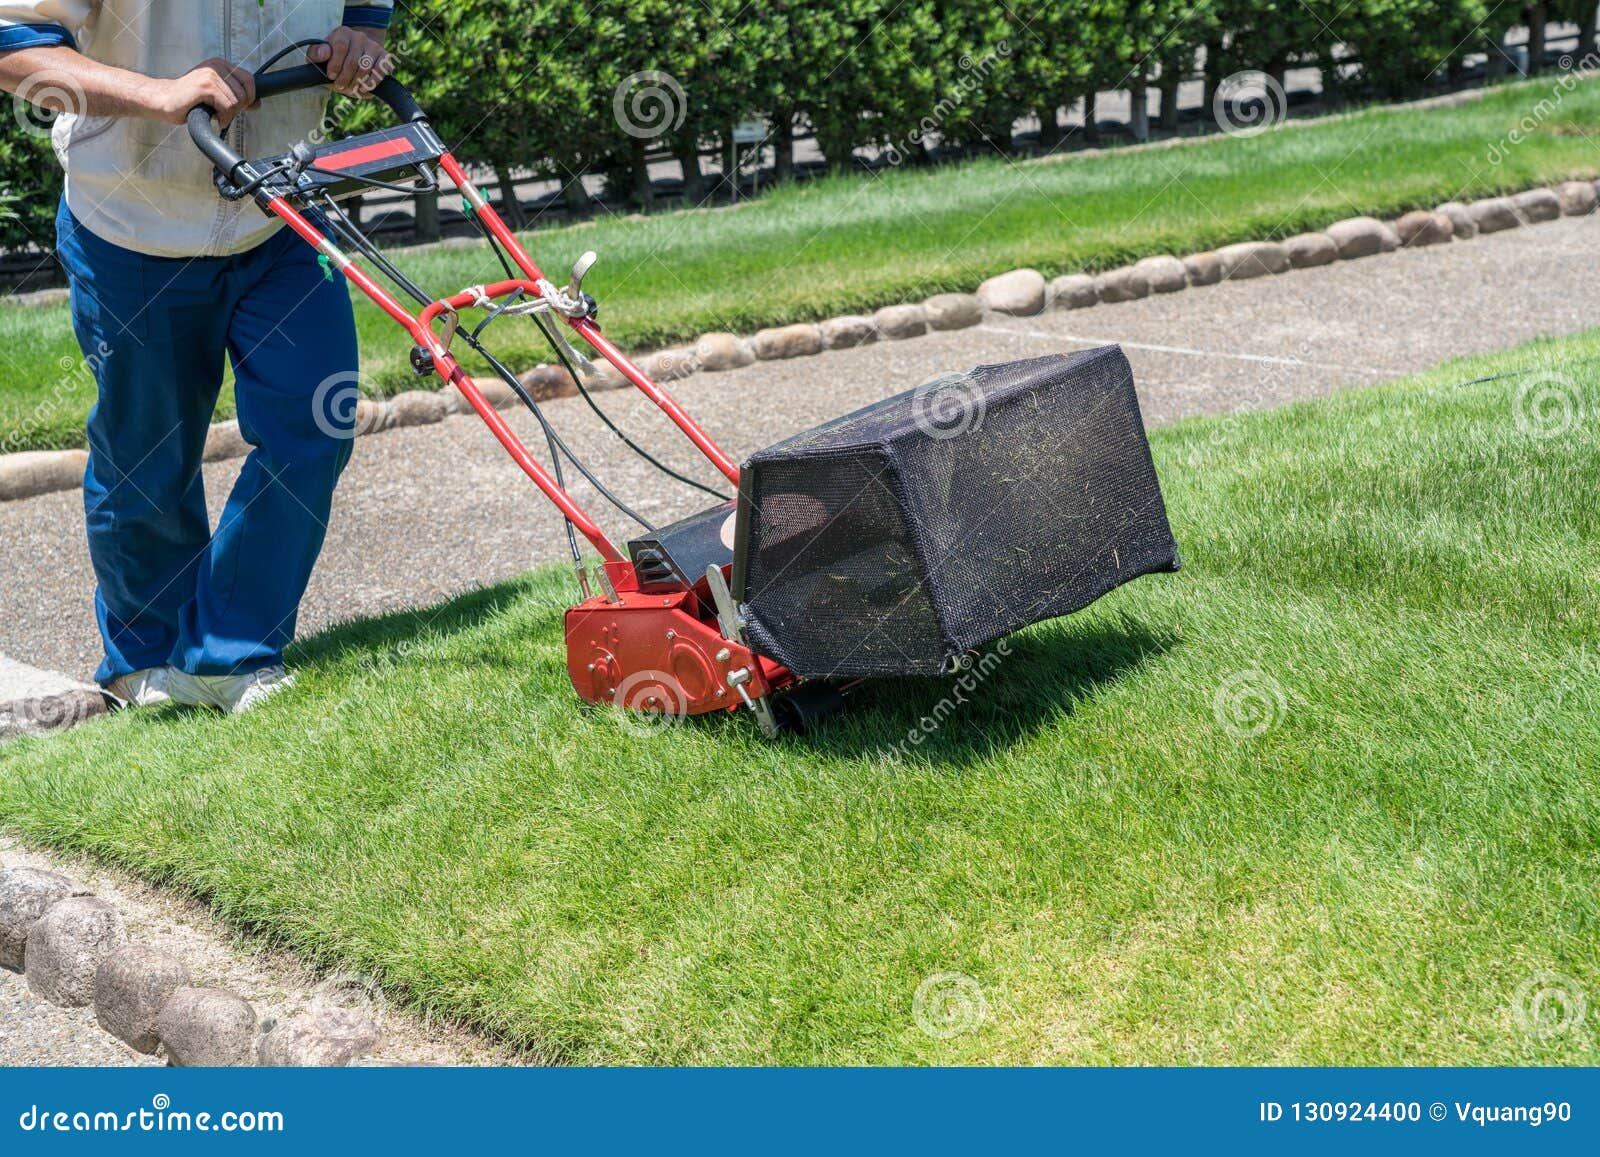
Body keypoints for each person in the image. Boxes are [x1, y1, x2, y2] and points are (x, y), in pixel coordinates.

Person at [0, 2, 393, 712]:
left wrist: (356, 52)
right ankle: (144, 656)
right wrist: (158, 94)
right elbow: (15, 46)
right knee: (146, 457)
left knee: (315, 421)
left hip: (280, 211)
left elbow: (366, 20)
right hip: (131, 226)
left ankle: (228, 655)